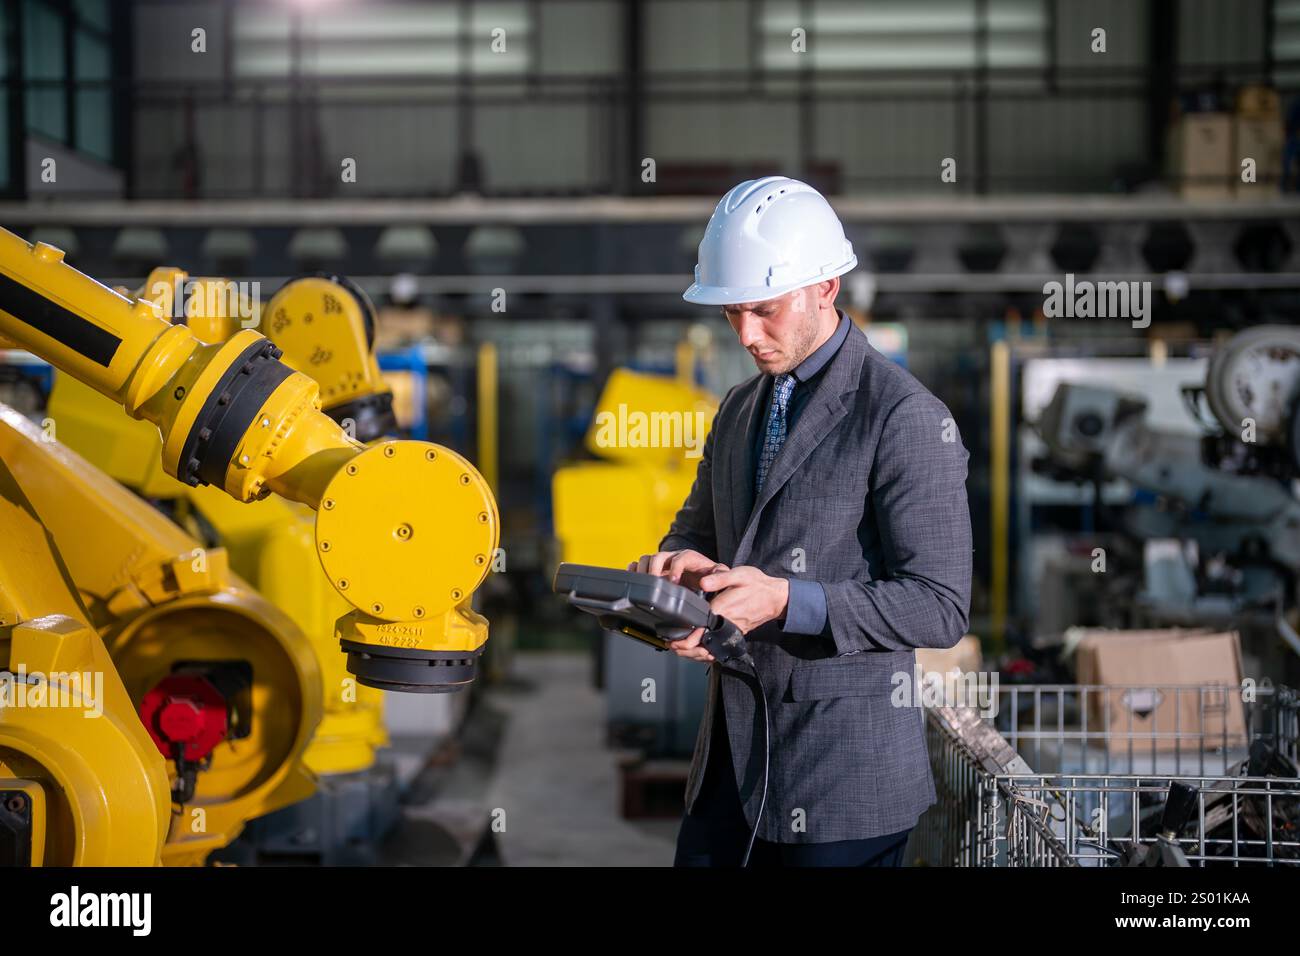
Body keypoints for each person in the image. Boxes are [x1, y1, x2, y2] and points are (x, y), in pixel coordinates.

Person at [630, 176, 972, 867]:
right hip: (729, 769)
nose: (747, 334)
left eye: (764, 310)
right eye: (732, 313)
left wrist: (786, 601)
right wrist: (680, 572)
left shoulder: (903, 417)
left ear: (826, 287)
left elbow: (939, 608)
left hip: (842, 784)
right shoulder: (737, 409)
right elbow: (696, 529)